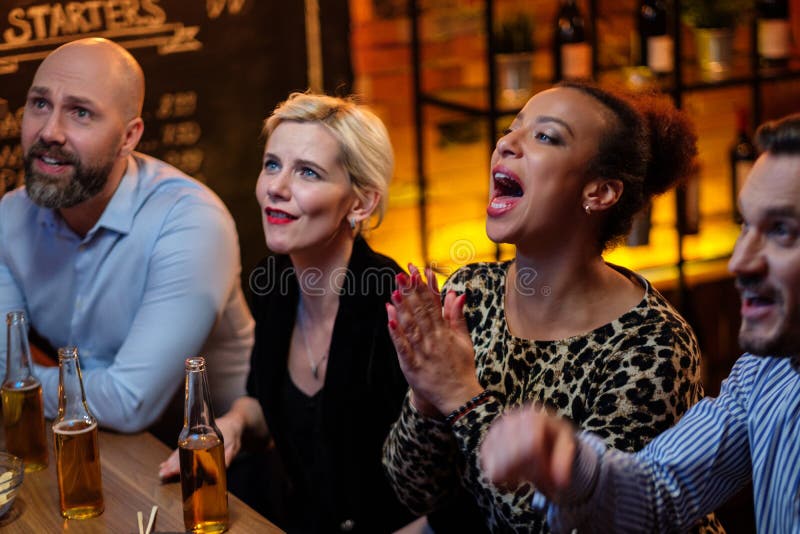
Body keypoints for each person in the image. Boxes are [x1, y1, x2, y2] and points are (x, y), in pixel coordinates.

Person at [382, 82, 722, 532]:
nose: (506, 143)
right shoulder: (472, 294)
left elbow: (576, 525)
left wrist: (460, 397)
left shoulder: (653, 344)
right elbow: (415, 492)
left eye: (545, 136)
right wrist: (425, 396)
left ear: (600, 192)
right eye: (511, 129)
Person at [479, 113, 800, 532]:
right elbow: (660, 492)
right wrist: (574, 467)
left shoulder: (653, 339)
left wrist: (462, 402)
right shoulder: (767, 372)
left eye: (781, 231)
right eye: (745, 226)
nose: (740, 262)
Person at [159, 92, 415, 533]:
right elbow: (266, 404)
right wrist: (236, 422)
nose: (276, 187)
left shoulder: (395, 306)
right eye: (272, 164)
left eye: (308, 172)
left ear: (361, 203)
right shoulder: (273, 282)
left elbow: (447, 485)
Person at [0, 38, 253, 434]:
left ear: (129, 137)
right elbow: (5, 366)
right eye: (40, 104)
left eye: (80, 112)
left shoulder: (189, 221)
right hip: (95, 440)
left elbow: (127, 403)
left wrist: (20, 384)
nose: (49, 131)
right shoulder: (10, 219)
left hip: (218, 458)